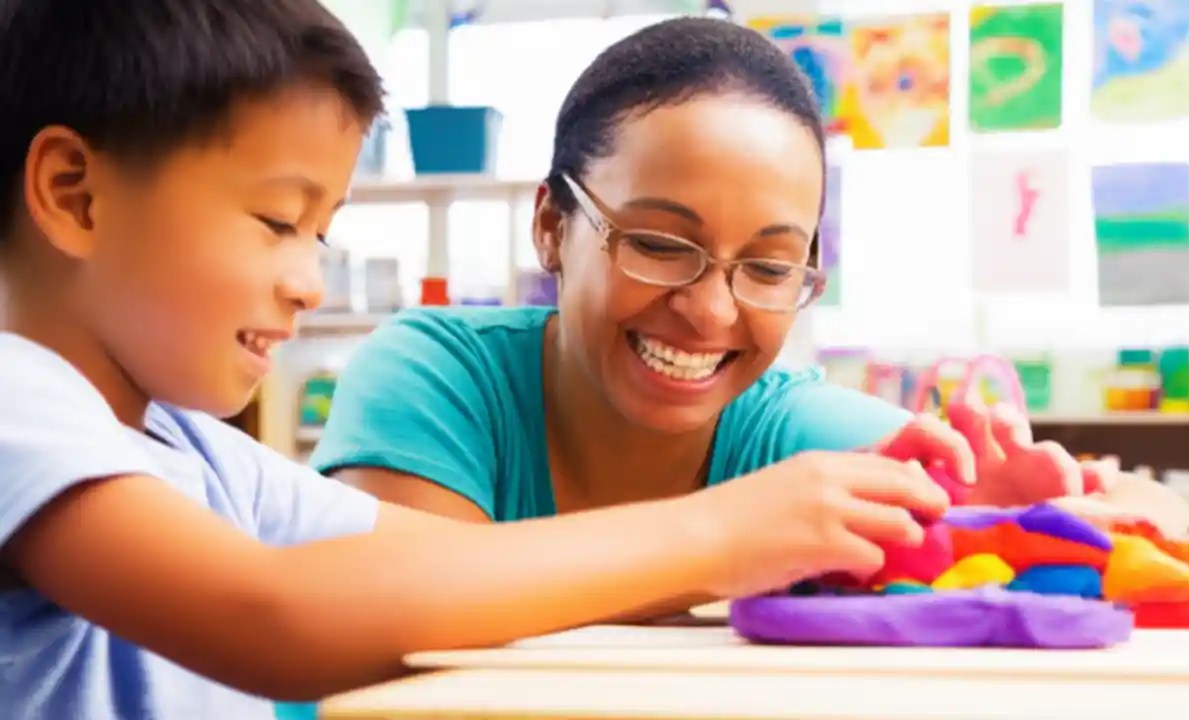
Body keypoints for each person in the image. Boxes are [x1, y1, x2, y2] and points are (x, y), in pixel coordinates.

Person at [0, 3, 990, 718]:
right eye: (276, 222)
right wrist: (725, 535)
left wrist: (980, 506)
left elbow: (457, 572)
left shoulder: (192, 452)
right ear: (74, 194)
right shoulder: (16, 398)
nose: (308, 282)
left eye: (321, 232)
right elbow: (275, 620)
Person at [313, 16, 1107, 621]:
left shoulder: (775, 425)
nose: (710, 311)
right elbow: (397, 599)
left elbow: (1143, 516)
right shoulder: (436, 375)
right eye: (660, 244)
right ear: (552, 226)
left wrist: (1009, 521)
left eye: (767, 268)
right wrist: (728, 535)